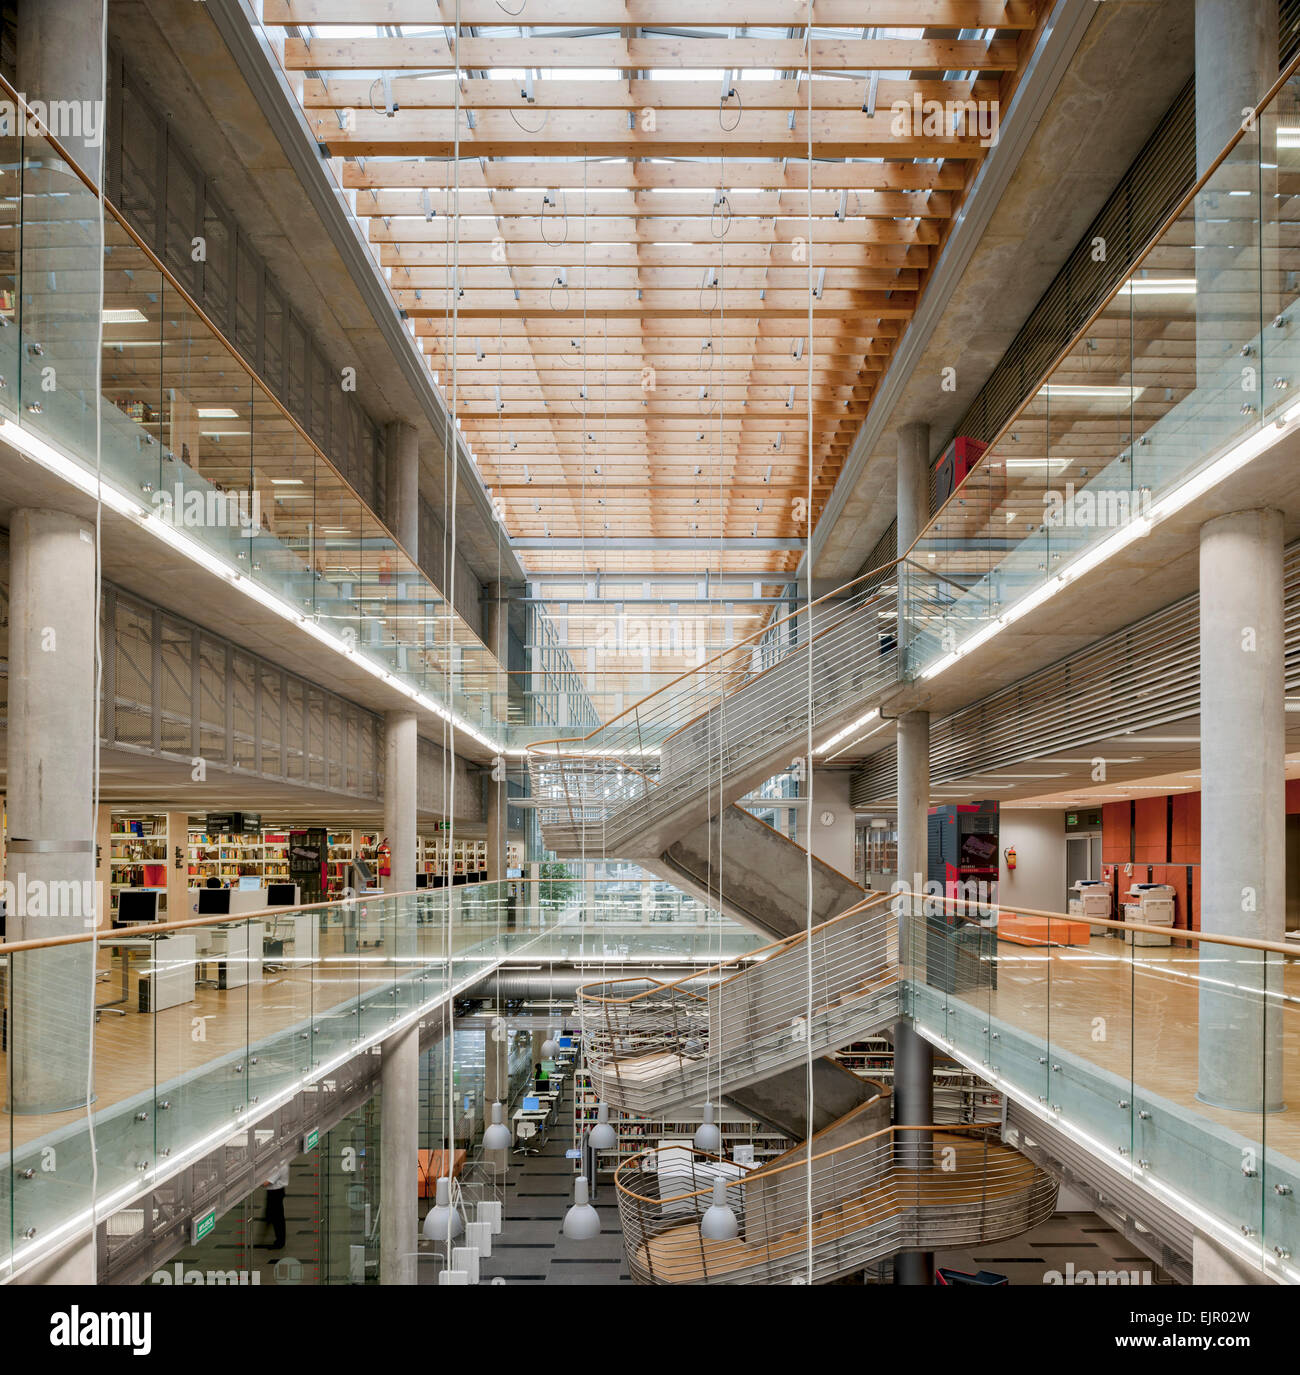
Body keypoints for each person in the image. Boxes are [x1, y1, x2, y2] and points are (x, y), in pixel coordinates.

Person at [259, 1161, 290, 1250]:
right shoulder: (282, 1162)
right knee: (272, 1215)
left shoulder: (280, 1165)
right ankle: (268, 1230)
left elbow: (266, 1183)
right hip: (274, 1192)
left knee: (277, 1219)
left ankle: (280, 1242)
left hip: (275, 1193)